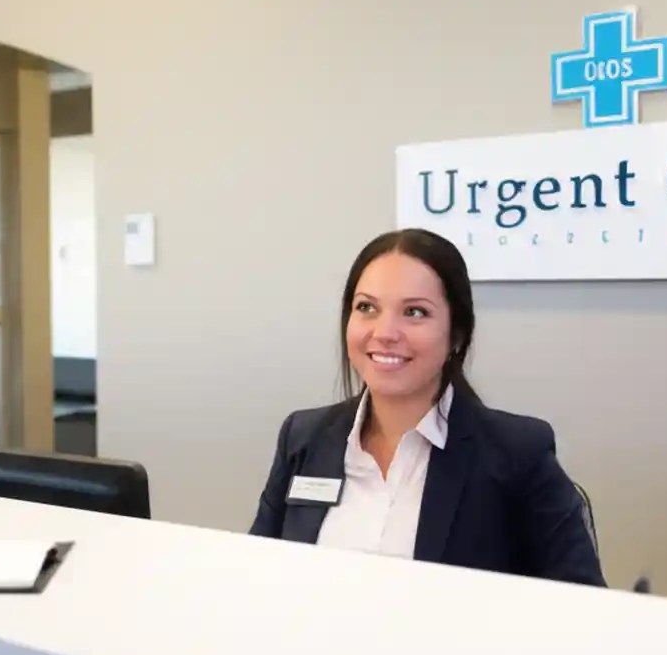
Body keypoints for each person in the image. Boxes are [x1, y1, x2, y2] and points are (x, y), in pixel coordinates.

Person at [249, 229, 604, 586]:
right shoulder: (303, 438)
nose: (385, 332)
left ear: (457, 334)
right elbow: (257, 578)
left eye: (414, 312)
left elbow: (587, 602)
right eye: (367, 307)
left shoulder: (517, 454)